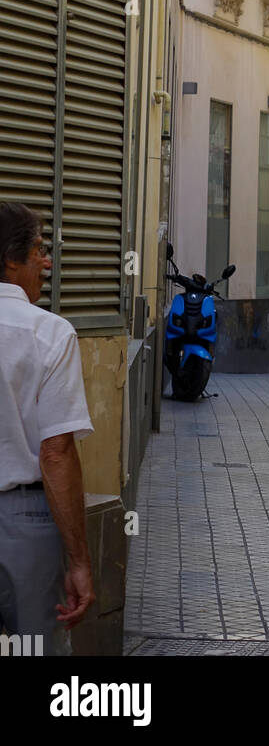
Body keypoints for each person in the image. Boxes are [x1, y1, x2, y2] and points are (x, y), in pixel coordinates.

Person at [0, 202, 95, 653]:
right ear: (11, 260)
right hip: (26, 525)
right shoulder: (51, 334)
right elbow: (55, 453)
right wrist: (79, 561)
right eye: (39, 249)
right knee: (34, 650)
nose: (48, 262)